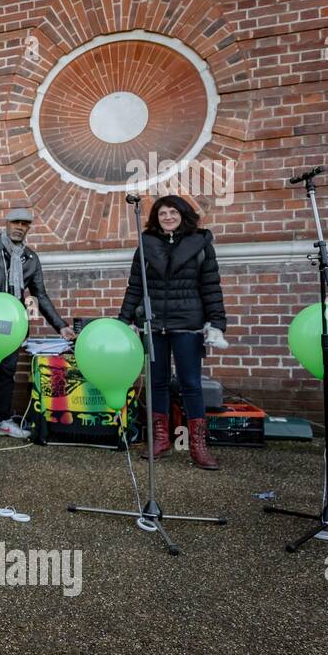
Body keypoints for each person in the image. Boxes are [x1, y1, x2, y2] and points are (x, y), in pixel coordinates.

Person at [118, 194, 228, 469]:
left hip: (187, 324)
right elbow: (135, 286)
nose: (167, 217)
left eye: (173, 212)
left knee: (191, 384)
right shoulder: (146, 245)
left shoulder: (201, 244)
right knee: (157, 382)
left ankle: (199, 446)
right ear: (156, 218)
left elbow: (211, 286)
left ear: (183, 215)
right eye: (162, 213)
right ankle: (160, 440)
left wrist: (216, 322)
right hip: (154, 324)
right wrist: (124, 320)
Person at [0, 207, 76, 441]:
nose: (19, 227)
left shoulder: (31, 259)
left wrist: (61, 326)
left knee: (7, 372)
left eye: (24, 224)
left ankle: (5, 420)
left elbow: (40, 296)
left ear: (28, 228)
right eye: (15, 222)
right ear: (7, 223)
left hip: (14, 326)